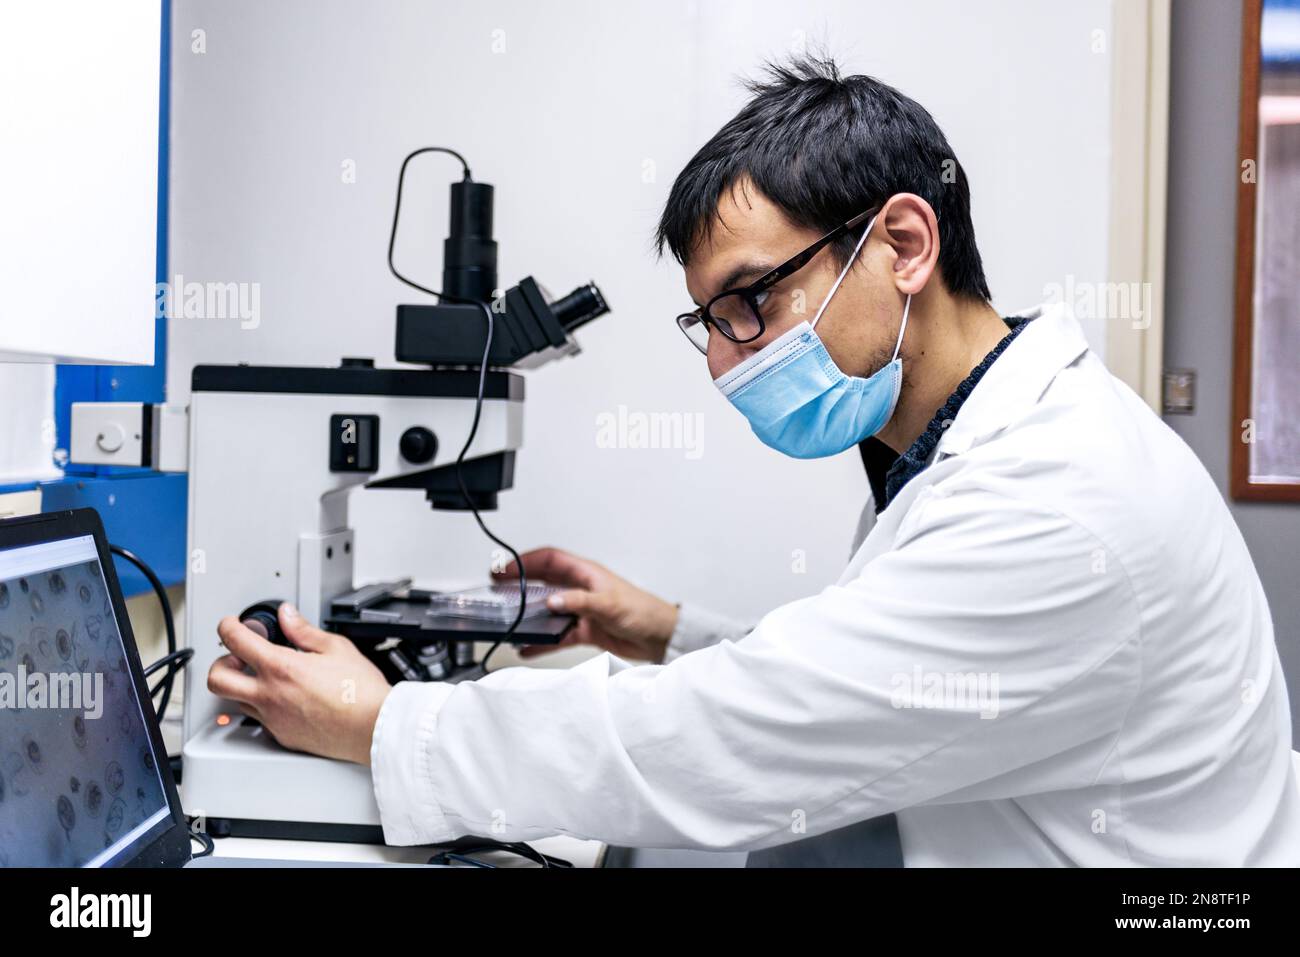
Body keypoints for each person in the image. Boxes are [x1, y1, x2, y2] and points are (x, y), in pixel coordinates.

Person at [209, 55, 1300, 865]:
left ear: (904, 244)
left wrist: (391, 724)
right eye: (709, 324)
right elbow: (880, 679)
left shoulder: (1056, 507)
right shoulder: (970, 442)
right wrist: (661, 630)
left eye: (749, 302)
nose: (728, 361)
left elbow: (735, 740)